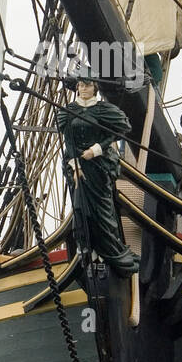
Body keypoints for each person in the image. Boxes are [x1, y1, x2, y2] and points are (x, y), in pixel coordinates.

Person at [56, 76, 140, 276]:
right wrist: (74, 163)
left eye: (88, 85)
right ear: (77, 87)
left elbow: (121, 129)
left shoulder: (104, 110)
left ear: (95, 88)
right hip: (76, 167)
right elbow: (67, 140)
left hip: (99, 166)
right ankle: (86, 249)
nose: (84, 89)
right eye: (81, 85)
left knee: (103, 211)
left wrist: (97, 149)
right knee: (79, 207)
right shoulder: (68, 111)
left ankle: (109, 252)